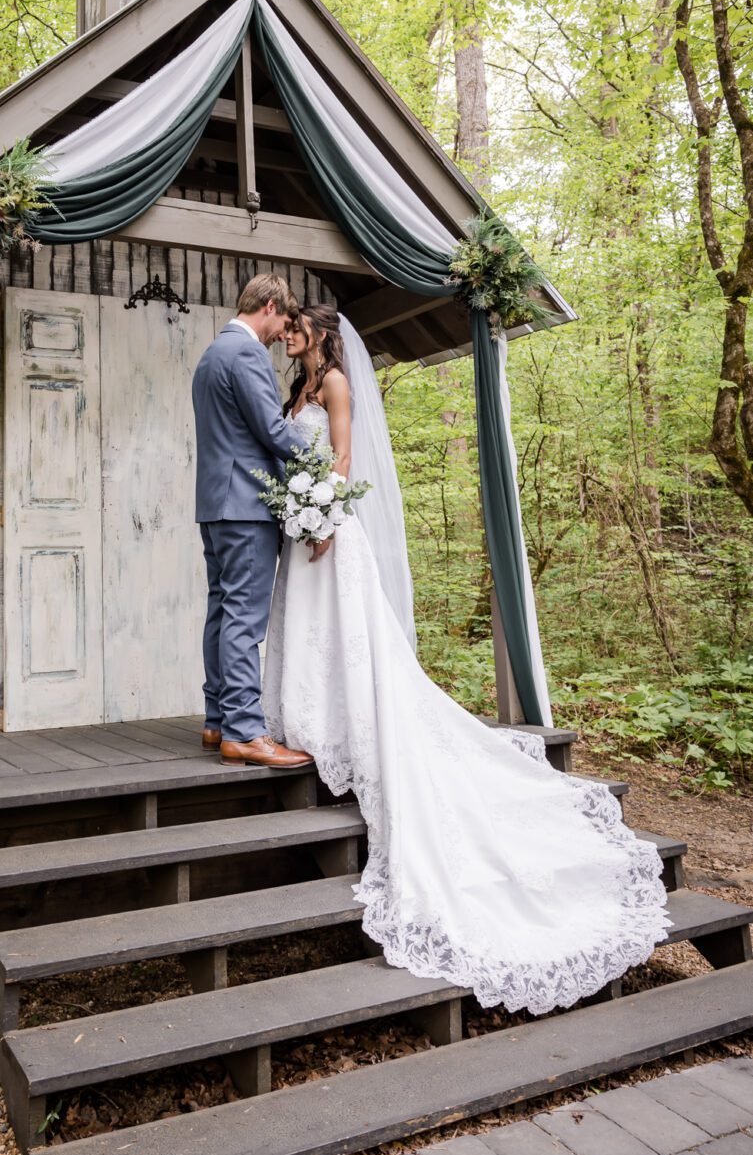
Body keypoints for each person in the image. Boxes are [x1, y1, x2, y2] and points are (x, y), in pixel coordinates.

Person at [262, 303, 672, 1015]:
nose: (289, 333)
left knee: (352, 639)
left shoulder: (333, 386)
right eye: (286, 325)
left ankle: (346, 723)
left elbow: (343, 456)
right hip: (301, 528)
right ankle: (306, 719)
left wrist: (322, 512)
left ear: (322, 336)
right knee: (304, 630)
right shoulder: (290, 388)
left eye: (298, 326)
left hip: (330, 526)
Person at [191, 274, 314, 770]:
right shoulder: (245, 354)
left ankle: (218, 718)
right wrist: (322, 464)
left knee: (222, 610)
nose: (281, 336)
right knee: (244, 615)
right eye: (282, 323)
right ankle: (244, 731)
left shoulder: (210, 355)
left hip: (217, 505)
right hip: (246, 504)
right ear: (268, 306)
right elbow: (270, 429)